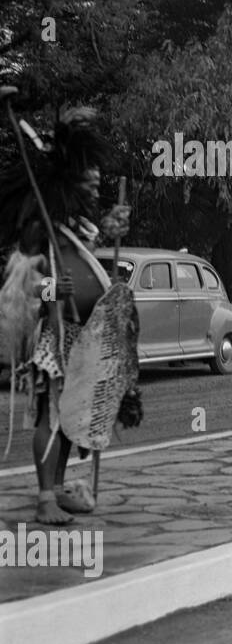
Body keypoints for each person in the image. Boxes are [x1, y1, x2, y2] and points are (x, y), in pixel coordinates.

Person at [0, 106, 138, 524]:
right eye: (89, 184)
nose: (96, 189)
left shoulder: (77, 226)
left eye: (98, 185)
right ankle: (44, 497)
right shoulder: (40, 225)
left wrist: (108, 231)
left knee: (71, 417)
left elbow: (81, 262)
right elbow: (18, 283)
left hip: (83, 334)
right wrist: (49, 289)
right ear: (69, 183)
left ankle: (57, 489)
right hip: (54, 338)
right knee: (51, 414)